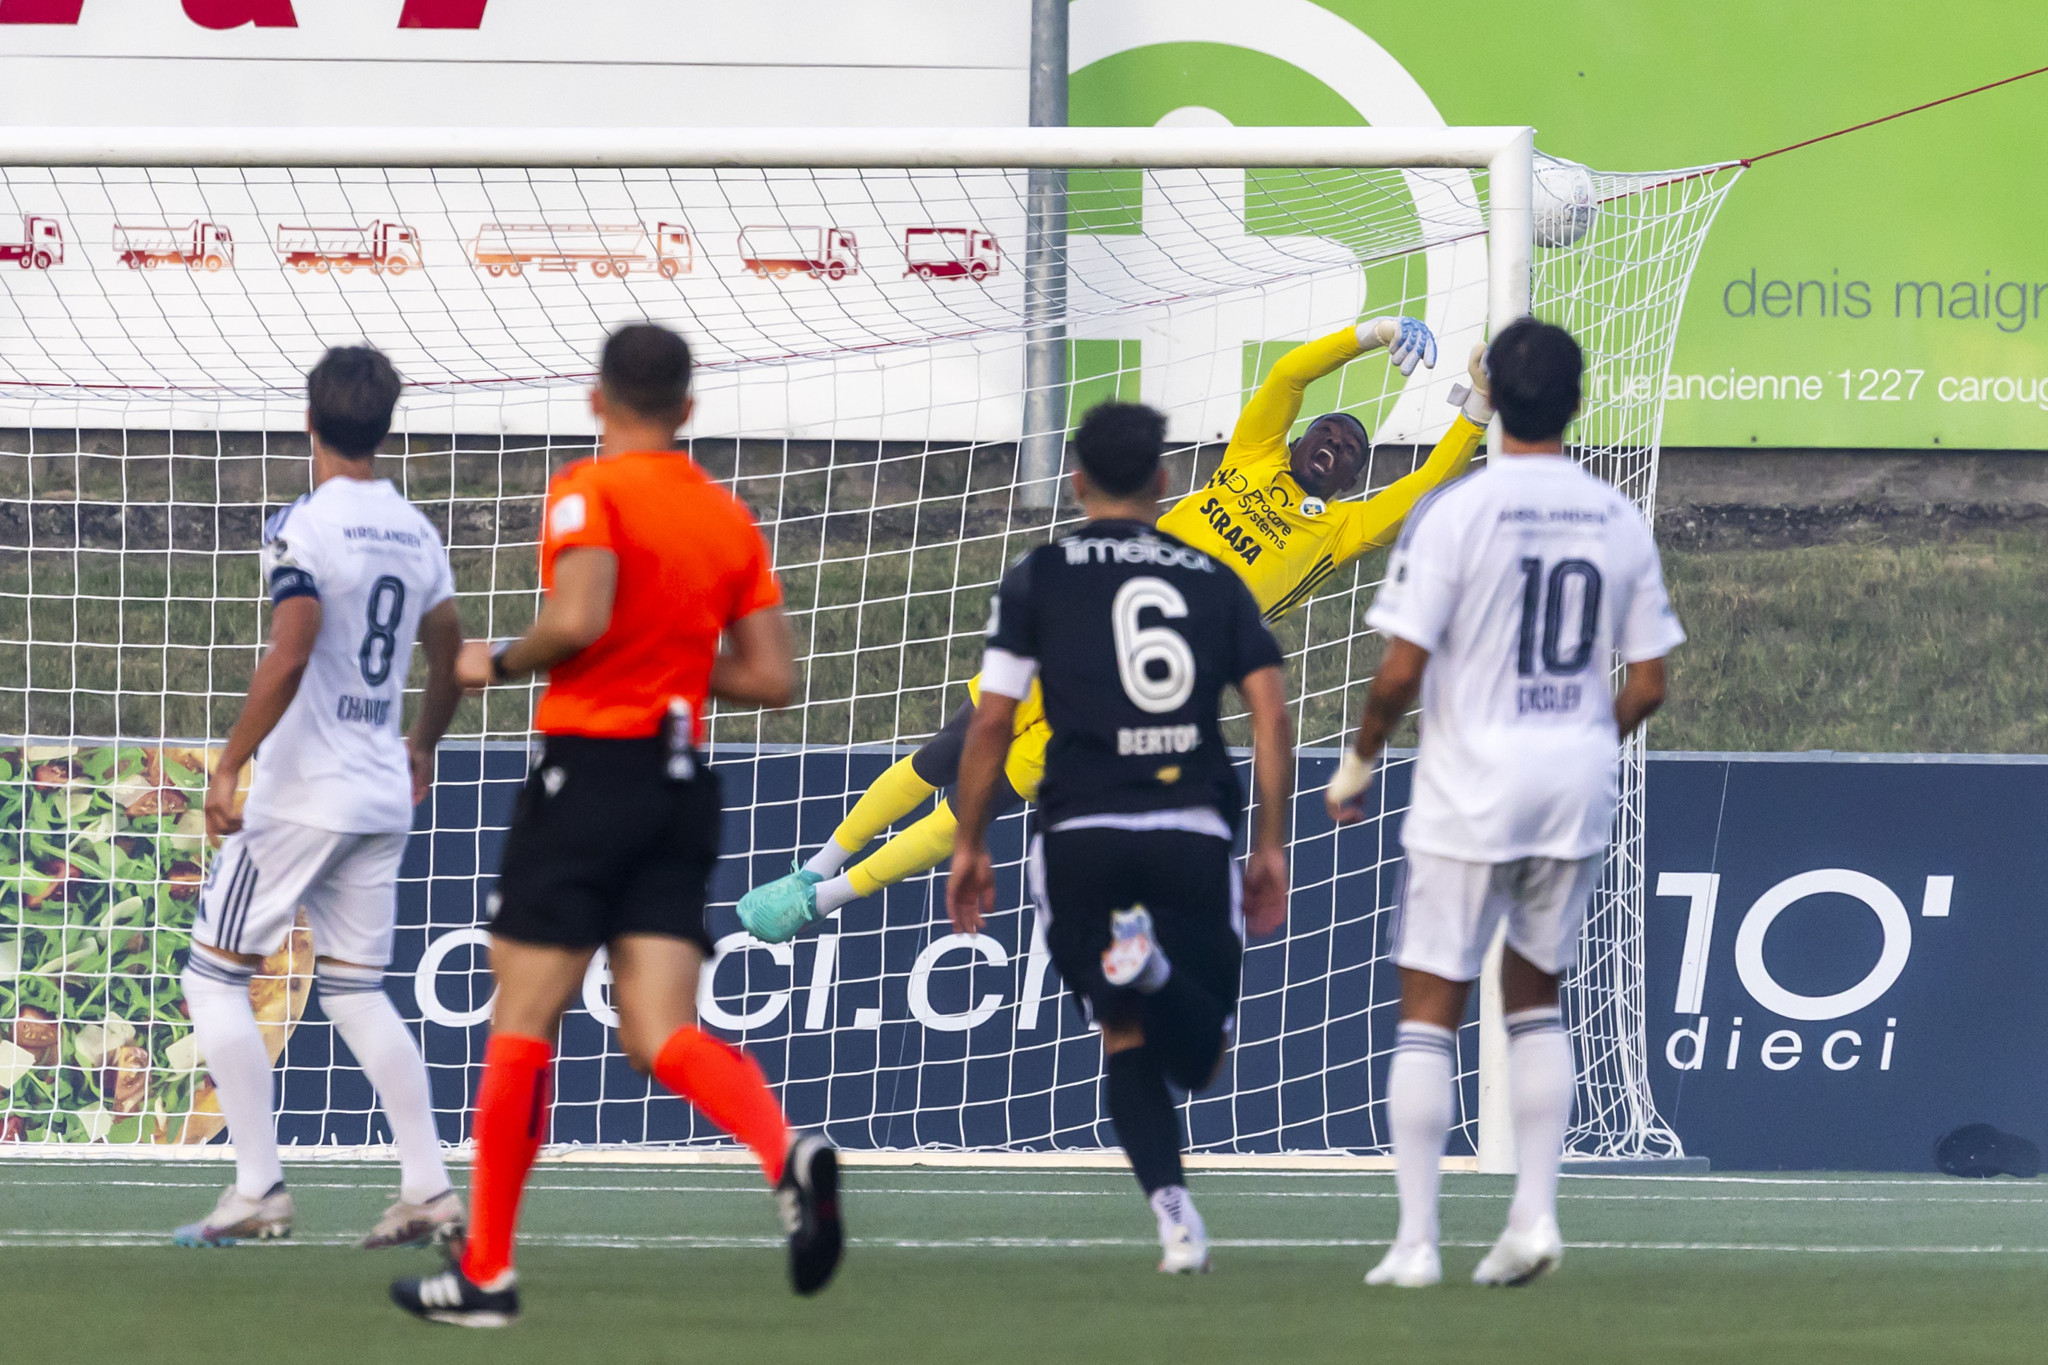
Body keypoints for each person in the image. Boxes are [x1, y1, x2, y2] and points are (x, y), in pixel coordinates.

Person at [741, 314, 1489, 943]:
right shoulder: (1249, 460)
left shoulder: (1340, 532)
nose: (1337, 444)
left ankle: (822, 902)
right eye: (1329, 430)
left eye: (1353, 451)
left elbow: (1428, 484)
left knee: (978, 802)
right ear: (1297, 441)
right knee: (948, 749)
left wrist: (1477, 408)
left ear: (1356, 480)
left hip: (1138, 686)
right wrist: (1372, 332)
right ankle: (814, 865)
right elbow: (1290, 375)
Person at [390, 323, 842, 1327]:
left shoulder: (588, 488)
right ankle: (784, 1152)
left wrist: (492, 662)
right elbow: (773, 678)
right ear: (688, 409)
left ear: (596, 399)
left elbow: (581, 615)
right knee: (661, 1030)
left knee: (522, 1021)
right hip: (681, 785)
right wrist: (676, 663)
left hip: (589, 775)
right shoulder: (726, 516)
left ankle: (488, 1274)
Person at [1326, 317, 1685, 1289]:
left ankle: (1412, 1244)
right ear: (1575, 404)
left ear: (1495, 394)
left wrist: (1359, 760)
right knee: (1535, 1001)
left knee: (1428, 1005)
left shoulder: (1457, 513)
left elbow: (1397, 673)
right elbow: (1647, 683)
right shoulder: (1613, 516)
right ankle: (1531, 1217)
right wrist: (1573, 743)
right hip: (1570, 784)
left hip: (1466, 784)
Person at [947, 401, 1295, 1275]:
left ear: (1076, 481)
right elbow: (1269, 711)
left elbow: (991, 724)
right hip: (1189, 828)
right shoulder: (1213, 579)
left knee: (1124, 1034)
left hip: (1079, 829)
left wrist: (968, 843)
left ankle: (1174, 1214)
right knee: (1203, 1055)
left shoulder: (1038, 576)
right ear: (1165, 481)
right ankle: (1160, 973)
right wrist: (1270, 844)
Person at [178, 346, 466, 1250]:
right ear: (384, 425)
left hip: (304, 792)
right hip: (383, 790)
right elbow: (453, 656)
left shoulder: (303, 526)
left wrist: (228, 765)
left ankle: (259, 1185)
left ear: (309, 420)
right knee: (354, 991)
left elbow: (291, 649)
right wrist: (422, 742)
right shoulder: (417, 531)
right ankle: (428, 1187)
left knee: (213, 975)